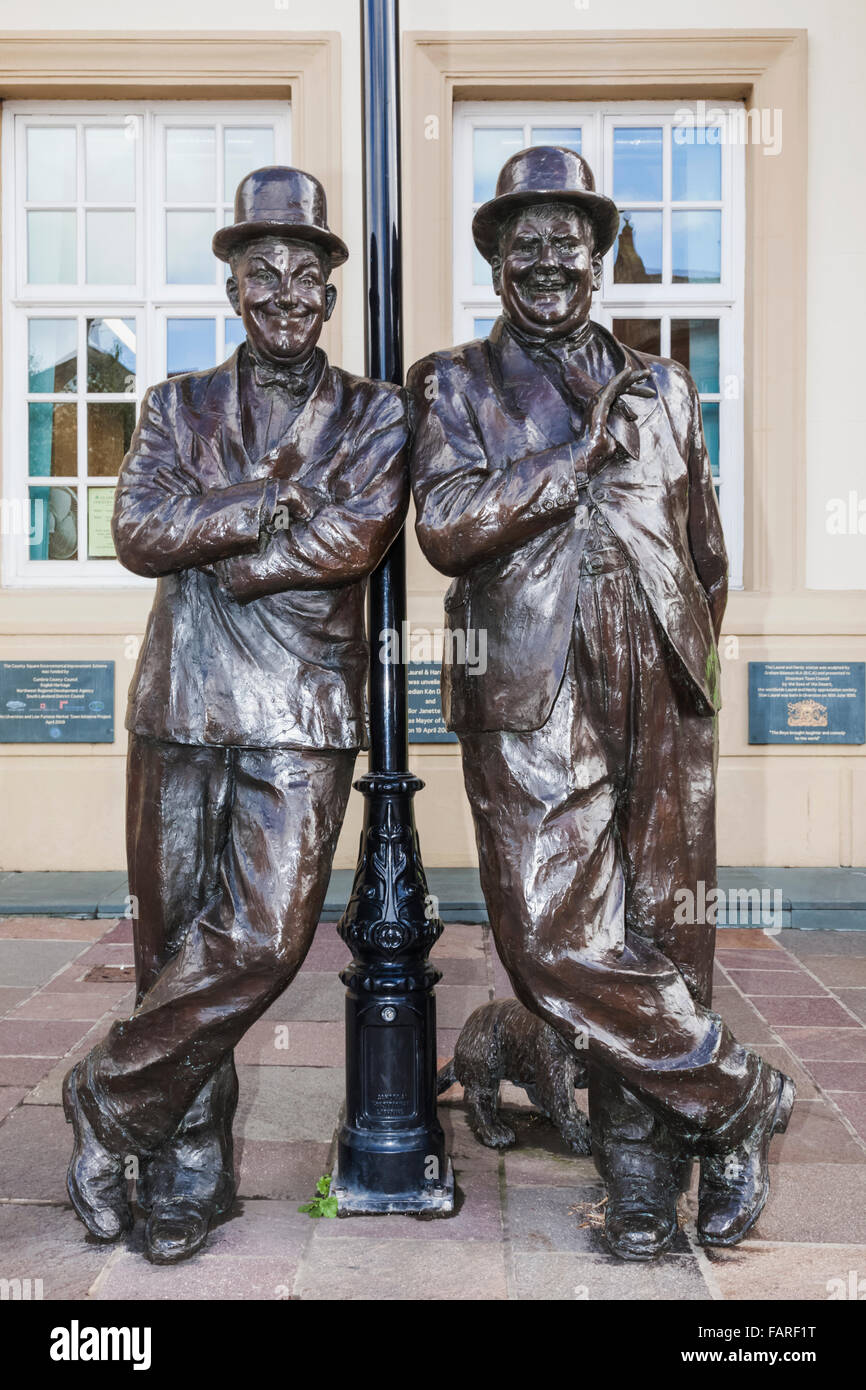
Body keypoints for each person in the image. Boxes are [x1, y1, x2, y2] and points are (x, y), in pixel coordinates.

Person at [407, 145, 794, 1260]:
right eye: (521, 242)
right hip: (529, 679)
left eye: (566, 242)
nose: (545, 260)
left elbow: (705, 549)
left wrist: (684, 655)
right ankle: (734, 1095)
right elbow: (445, 524)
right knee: (547, 936)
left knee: (662, 930)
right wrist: (572, 459)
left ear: (599, 257)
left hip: (657, 676)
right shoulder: (452, 382)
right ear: (492, 261)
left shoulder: (664, 382)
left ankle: (640, 1184)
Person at [63, 166, 408, 1264]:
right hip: (178, 705)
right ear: (233, 284)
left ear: (332, 292)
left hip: (301, 713)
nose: (288, 292)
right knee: (174, 952)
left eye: (308, 273)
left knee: (260, 938)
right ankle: (189, 1174)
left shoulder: (374, 412)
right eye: (265, 271)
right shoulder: (174, 403)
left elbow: (353, 540)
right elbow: (136, 533)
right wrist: (258, 505)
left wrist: (230, 553)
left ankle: (107, 1096)